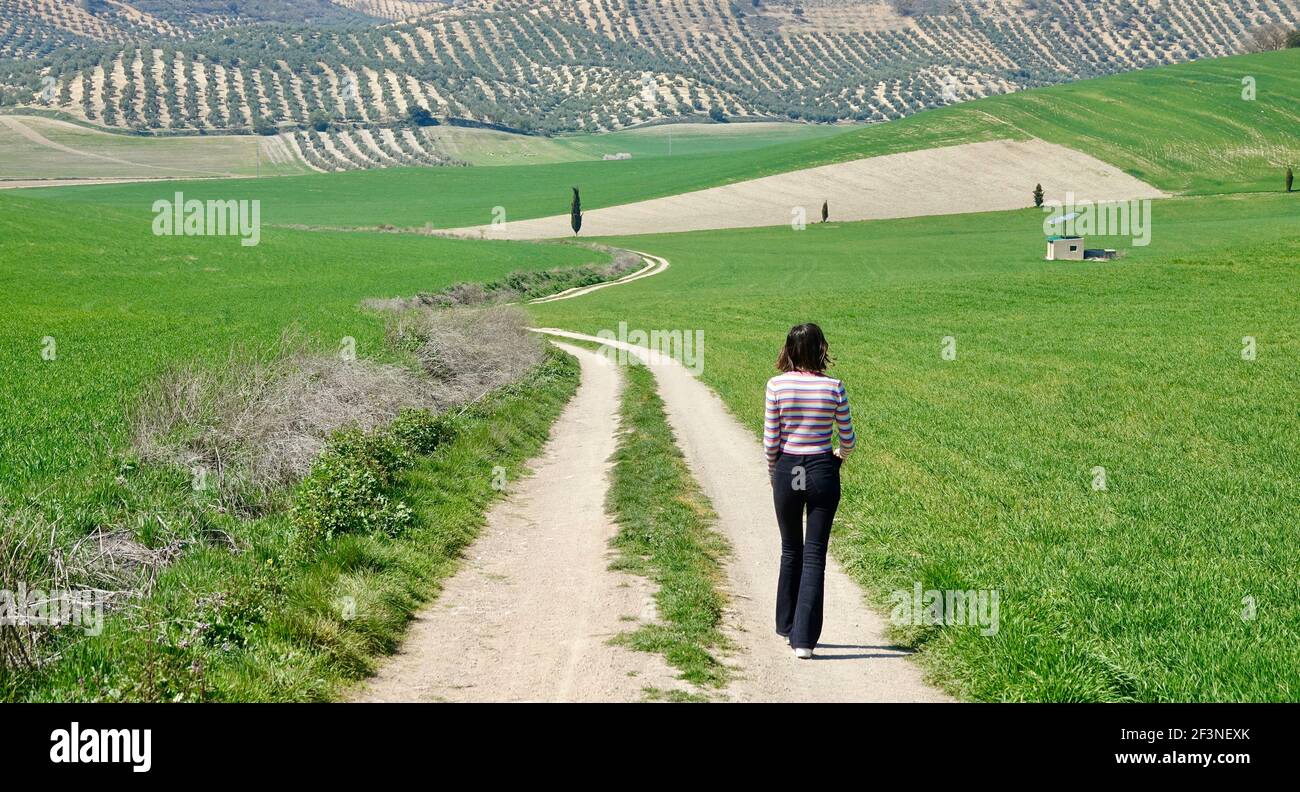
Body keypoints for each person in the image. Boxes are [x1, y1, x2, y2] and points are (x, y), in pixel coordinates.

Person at [763, 323, 855, 659]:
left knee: (791, 549)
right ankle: (803, 639)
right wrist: (837, 459)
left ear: (788, 350)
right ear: (820, 349)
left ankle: (785, 624)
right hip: (821, 470)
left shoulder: (776, 386)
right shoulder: (834, 388)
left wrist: (774, 473)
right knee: (815, 553)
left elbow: (771, 441)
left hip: (789, 469)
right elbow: (848, 440)